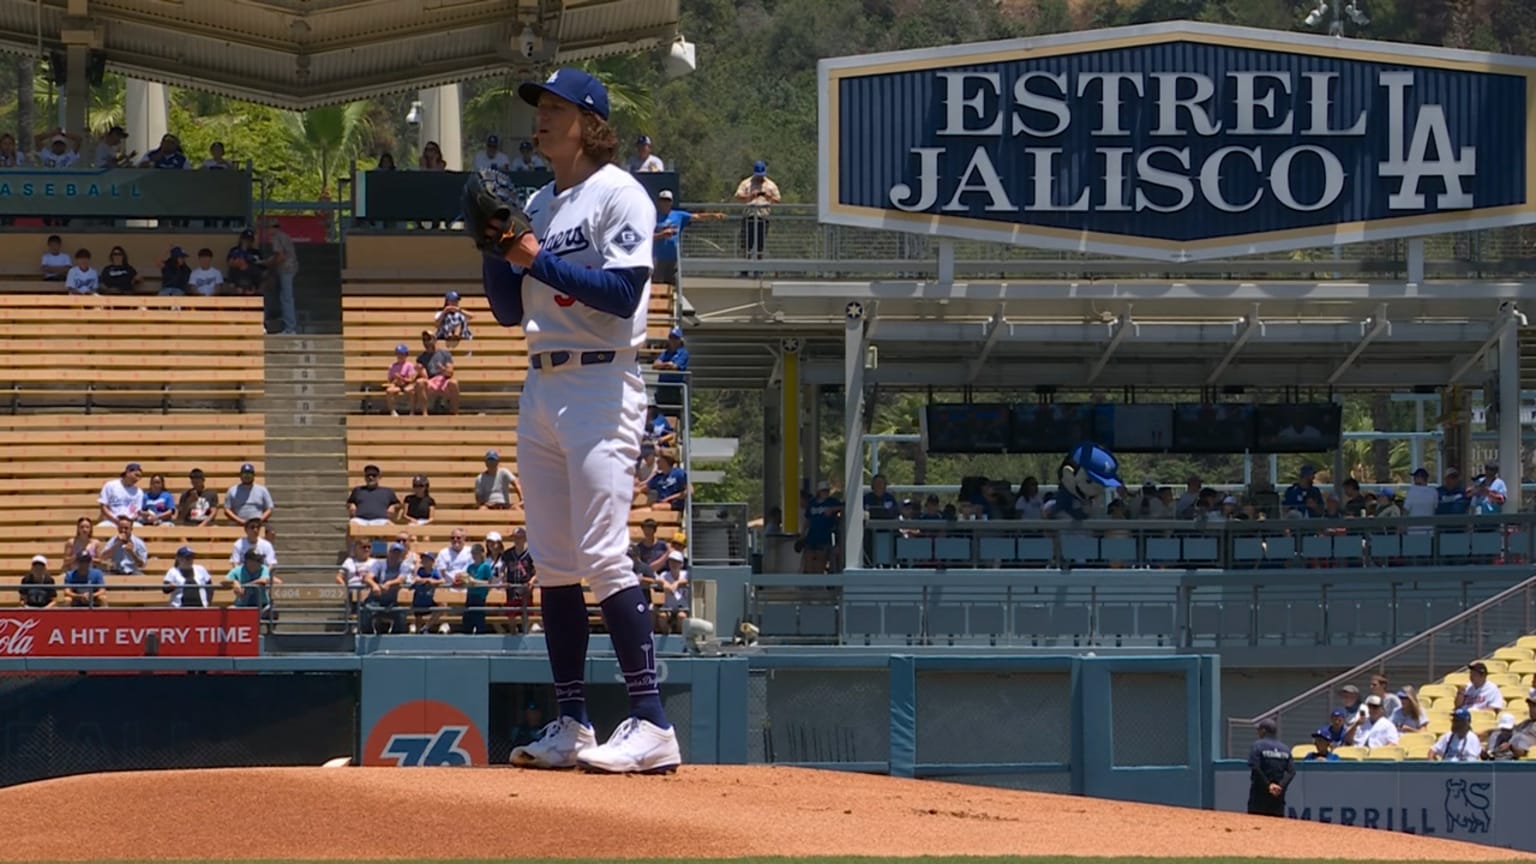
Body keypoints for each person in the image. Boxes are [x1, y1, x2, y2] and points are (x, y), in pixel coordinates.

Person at [476, 67, 679, 774]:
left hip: (602, 379)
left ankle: (651, 721)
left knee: (600, 554)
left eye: (557, 108)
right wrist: (492, 247)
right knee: (555, 563)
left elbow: (623, 294)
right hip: (542, 384)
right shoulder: (539, 200)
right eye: (539, 108)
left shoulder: (619, 192)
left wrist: (529, 253)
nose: (542, 118)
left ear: (590, 121)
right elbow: (507, 311)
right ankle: (572, 721)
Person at [651, 189, 725, 288]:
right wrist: (662, 234)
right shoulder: (653, 216)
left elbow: (697, 216)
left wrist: (713, 215)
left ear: (671, 202)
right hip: (658, 258)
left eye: (667, 201)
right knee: (657, 285)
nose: (665, 203)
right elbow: (648, 237)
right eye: (663, 200)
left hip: (673, 258)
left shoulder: (678, 215)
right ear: (659, 202)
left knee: (672, 284)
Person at [1245, 718, 1294, 817]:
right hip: (1278, 797)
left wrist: (1268, 785)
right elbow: (1291, 772)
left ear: (1263, 731)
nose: (1258, 732)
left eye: (1258, 730)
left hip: (1259, 795)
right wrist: (1280, 786)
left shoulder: (1258, 745)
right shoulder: (1285, 748)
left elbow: (1255, 767)